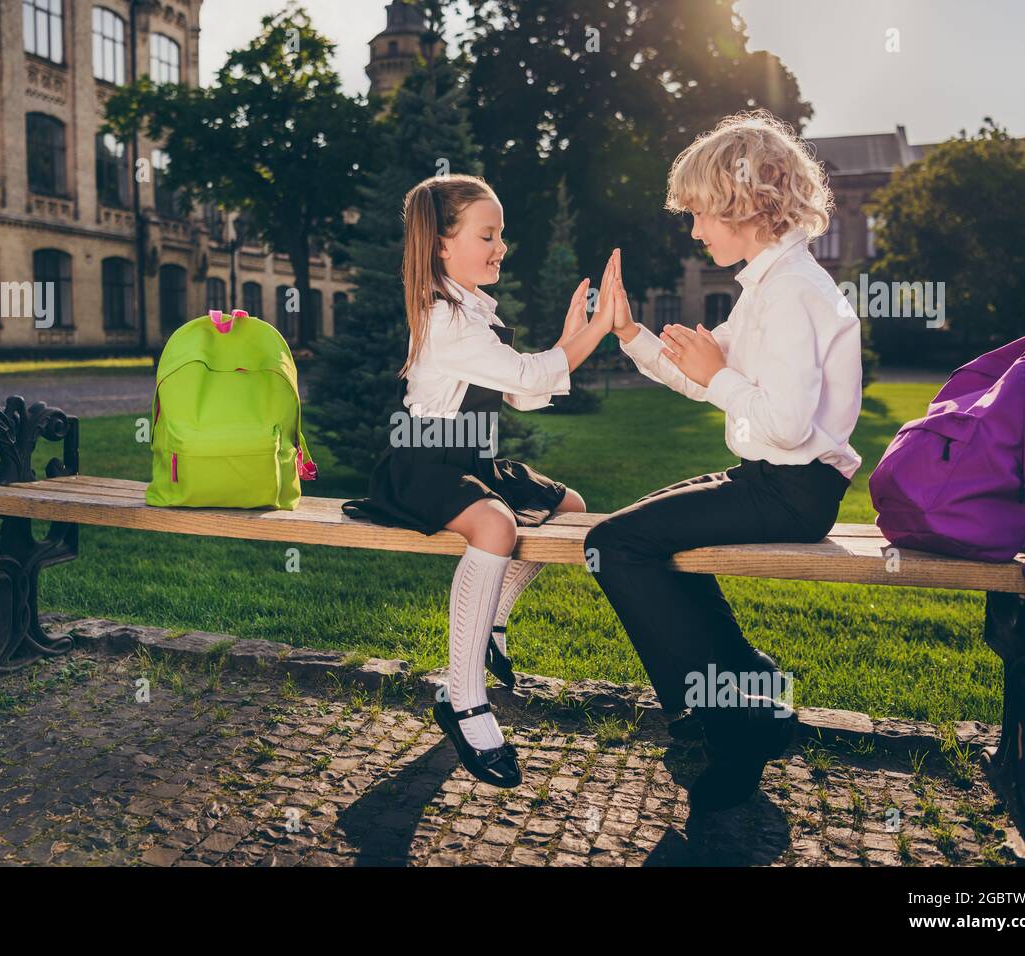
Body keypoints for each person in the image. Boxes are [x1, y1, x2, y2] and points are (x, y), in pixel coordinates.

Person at [585, 110, 864, 813]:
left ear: (746, 205)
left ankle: (718, 723)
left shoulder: (795, 293)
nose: (694, 230)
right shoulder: (770, 286)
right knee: (643, 539)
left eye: (700, 213)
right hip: (774, 479)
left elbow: (786, 422)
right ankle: (754, 689)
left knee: (614, 543)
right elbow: (700, 373)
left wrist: (719, 376)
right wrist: (632, 334)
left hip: (795, 487)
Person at [343, 173, 625, 787]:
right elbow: (527, 378)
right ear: (443, 245)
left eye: (502, 235)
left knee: (571, 506)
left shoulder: (473, 309)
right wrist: (598, 329)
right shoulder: (447, 317)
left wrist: (574, 333)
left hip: (467, 459)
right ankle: (464, 698)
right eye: (487, 235)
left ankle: (491, 620)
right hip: (422, 460)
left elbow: (524, 393)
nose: (501, 247)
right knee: (496, 525)